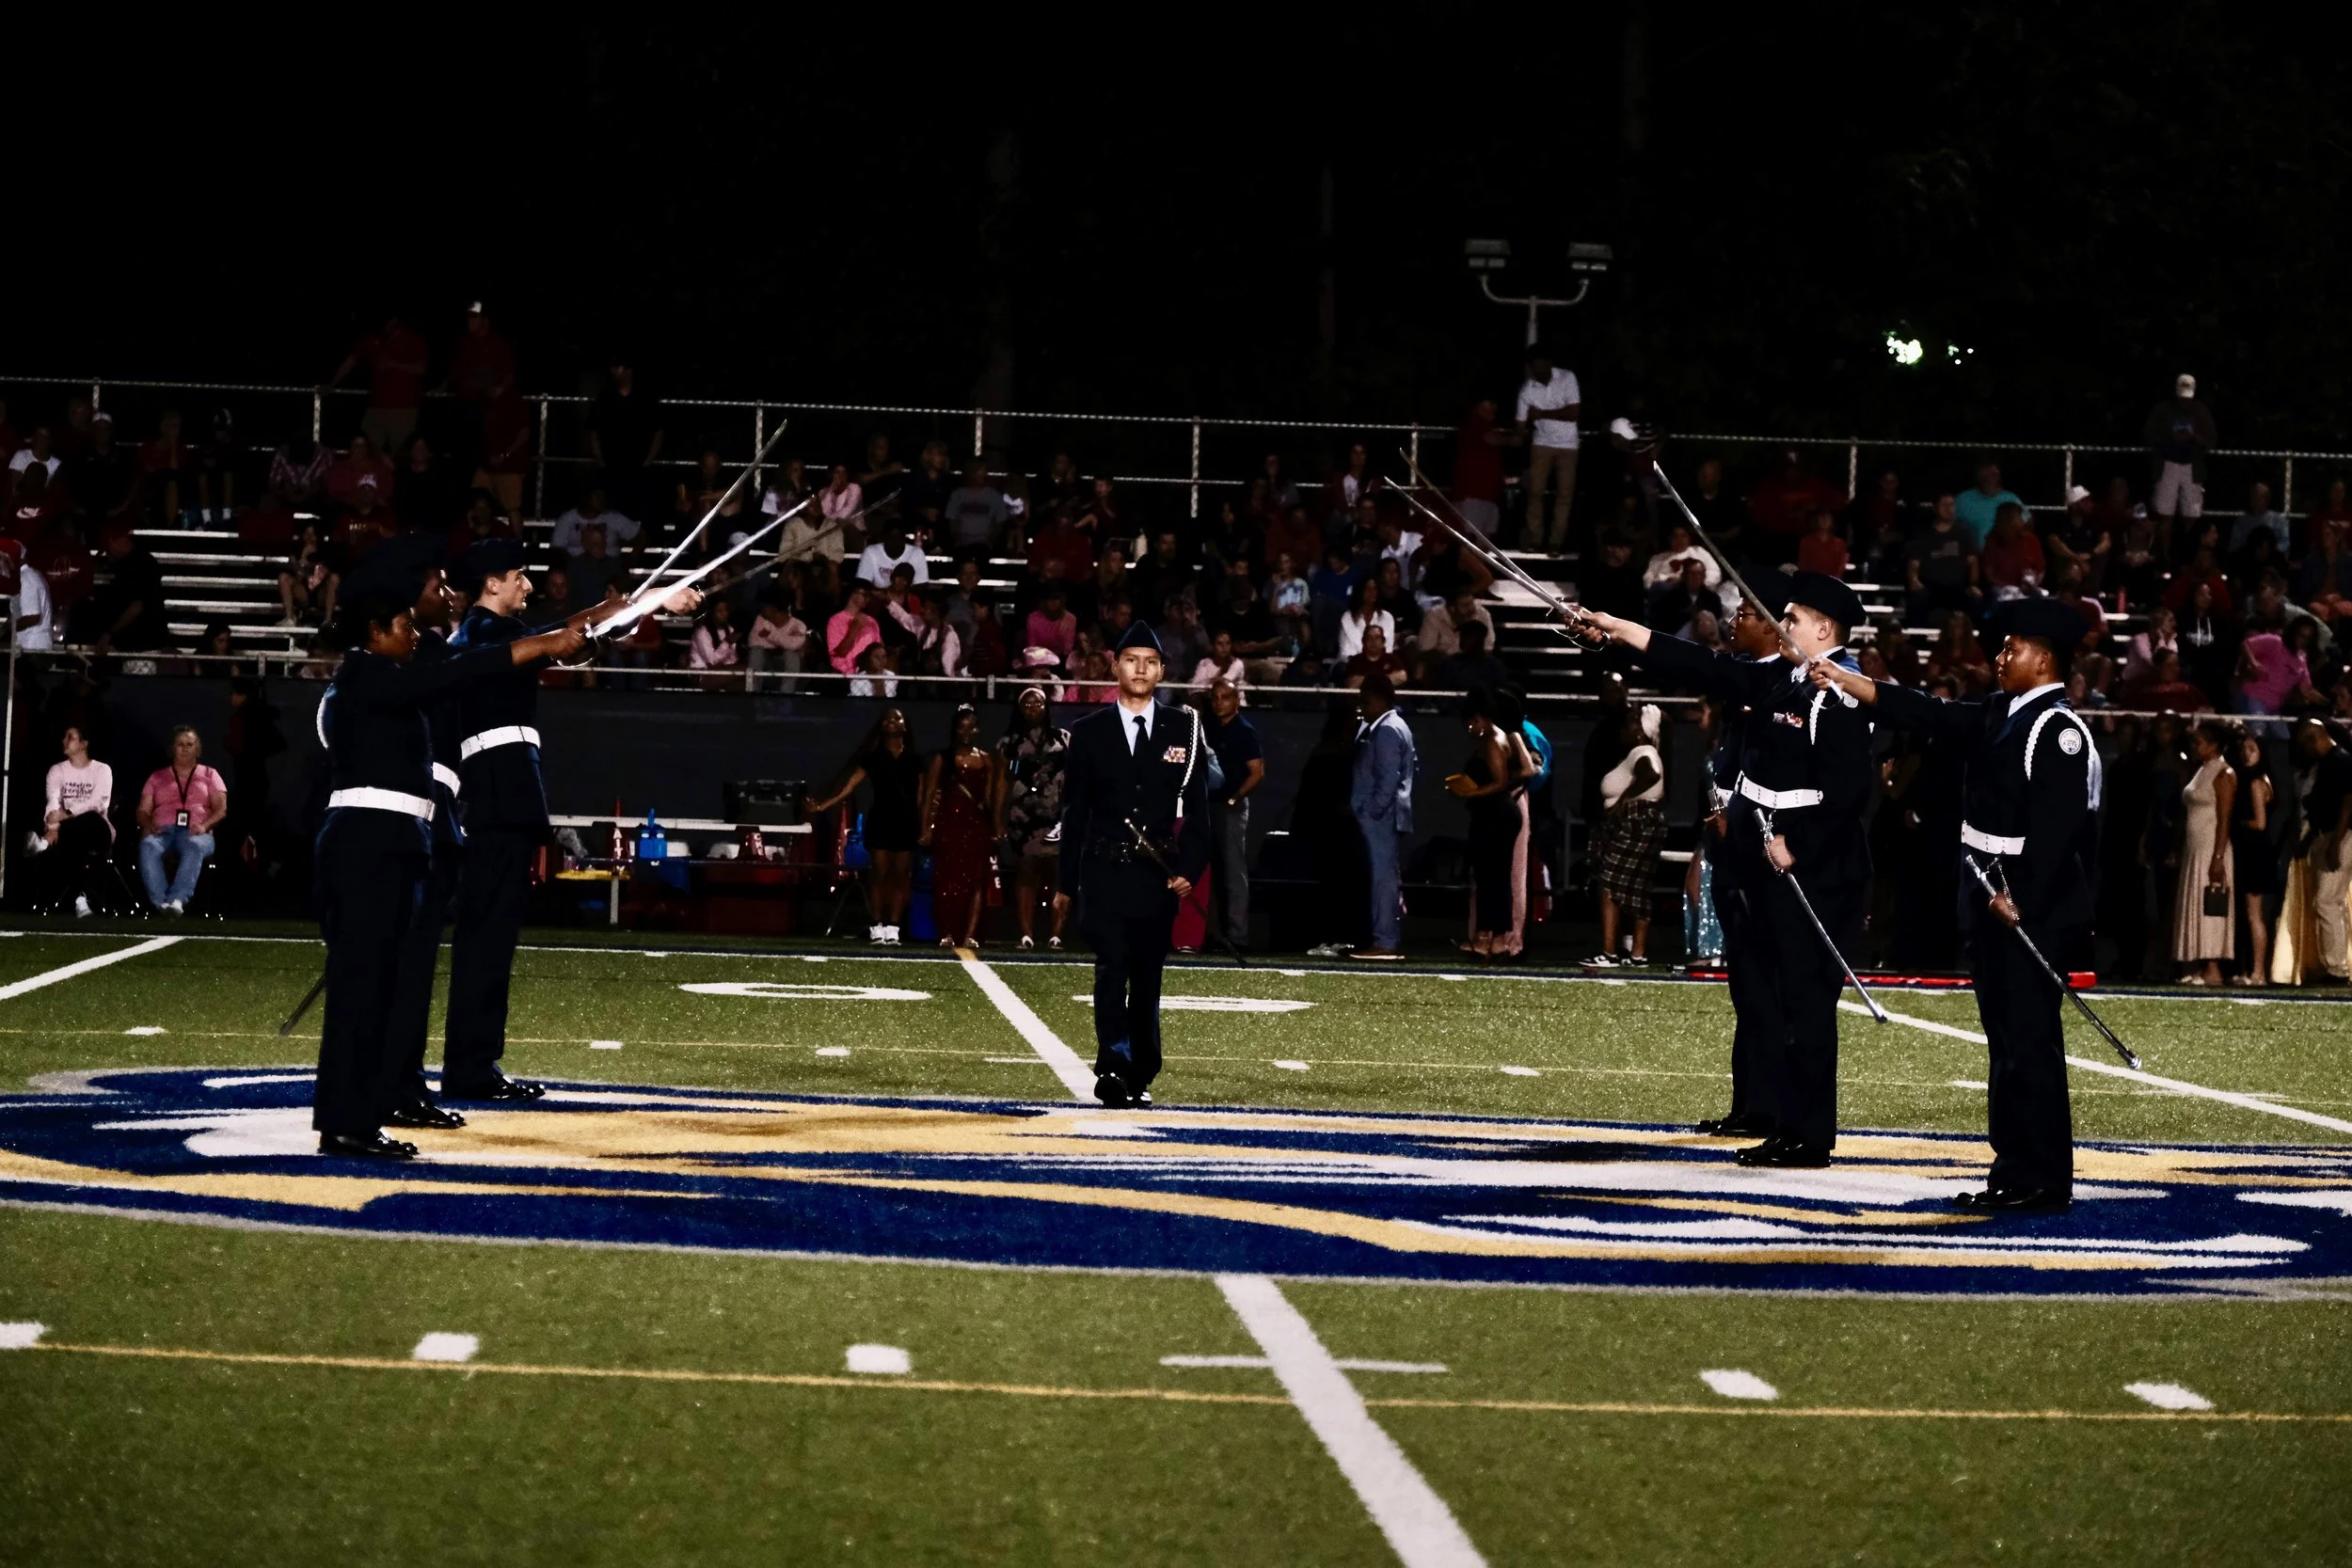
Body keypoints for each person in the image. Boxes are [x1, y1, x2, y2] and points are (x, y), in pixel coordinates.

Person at [1572, 571, 1874, 1168]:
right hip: (1769, 864)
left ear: (1825, 629)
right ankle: (1786, 1124)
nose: (1781, 625)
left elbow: (1849, 792)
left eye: (1791, 618)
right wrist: (1618, 630)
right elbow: (1703, 665)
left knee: (1806, 1005)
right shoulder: (1783, 679)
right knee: (1779, 1000)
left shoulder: (1839, 691)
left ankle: (1809, 1136)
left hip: (1813, 873)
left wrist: (1798, 844)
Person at [1807, 598, 2101, 1212]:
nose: (1999, 658)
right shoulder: (2001, 712)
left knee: (2030, 1043)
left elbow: (2059, 827)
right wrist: (1845, 679)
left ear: (2043, 659)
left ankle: (2044, 1178)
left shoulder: (2058, 729)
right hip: (1990, 896)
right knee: (2005, 1043)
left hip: (2028, 908)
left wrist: (2019, 896)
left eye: (2011, 649)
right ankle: (2012, 1170)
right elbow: (1929, 711)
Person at [310, 586, 583, 1160]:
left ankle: (363, 1112)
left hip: (389, 849)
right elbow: (459, 671)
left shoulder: (381, 679)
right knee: (361, 994)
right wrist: (547, 644)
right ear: (374, 631)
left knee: (379, 990)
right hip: (366, 850)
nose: (413, 632)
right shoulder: (365, 677)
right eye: (403, 623)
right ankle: (345, 1124)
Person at [443, 538, 698, 1102]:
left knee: (494, 938)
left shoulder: (498, 636)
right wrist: (648, 602)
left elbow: (575, 636)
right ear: (490, 585)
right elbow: (567, 635)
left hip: (502, 801)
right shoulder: (482, 636)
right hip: (494, 800)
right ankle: (470, 1067)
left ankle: (476, 1062)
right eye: (518, 577)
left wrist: (636, 608)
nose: (527, 586)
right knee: (486, 938)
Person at [1054, 622, 1211, 1106]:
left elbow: (1199, 808)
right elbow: (1074, 812)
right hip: (1103, 872)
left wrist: (1191, 867)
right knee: (1110, 968)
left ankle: (1140, 1072)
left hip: (1155, 877)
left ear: (1162, 670)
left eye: (1150, 661)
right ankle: (1115, 1067)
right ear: (1114, 665)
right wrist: (1066, 883)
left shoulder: (1184, 727)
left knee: (1146, 978)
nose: (1140, 668)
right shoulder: (1087, 732)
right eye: (1131, 659)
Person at [808, 708, 924, 943]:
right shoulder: (873, 758)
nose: (892, 721)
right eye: (887, 719)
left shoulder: (915, 759)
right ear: (881, 727)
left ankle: (894, 927)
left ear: (905, 726)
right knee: (879, 875)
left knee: (900, 876)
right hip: (881, 820)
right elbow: (848, 788)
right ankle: (877, 925)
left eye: (897, 718)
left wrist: (923, 826)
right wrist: (822, 806)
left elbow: (922, 797)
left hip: (906, 822)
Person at [995, 688, 1072, 952]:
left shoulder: (1063, 739)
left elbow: (1076, 779)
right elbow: (1002, 783)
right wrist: (998, 818)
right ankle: (1026, 934)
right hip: (1023, 818)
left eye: (1037, 703)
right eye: (1027, 704)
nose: (1032, 708)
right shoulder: (1010, 743)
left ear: (1046, 706)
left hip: (1056, 817)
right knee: (1027, 873)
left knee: (1058, 875)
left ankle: (1056, 935)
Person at [1590, 705, 1666, 967]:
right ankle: (1637, 953)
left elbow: (1651, 773)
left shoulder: (1643, 752)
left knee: (1611, 882)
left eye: (1629, 724)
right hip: (1640, 822)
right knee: (1636, 888)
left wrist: (1623, 799)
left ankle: (1610, 952)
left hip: (1636, 822)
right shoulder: (1641, 752)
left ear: (1638, 730)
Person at [1447, 686, 1518, 959]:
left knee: (1491, 877)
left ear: (1478, 718)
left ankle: (1488, 938)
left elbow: (1500, 782)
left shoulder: (1491, 739)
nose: (1469, 730)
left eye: (1469, 724)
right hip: (1498, 814)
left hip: (1496, 814)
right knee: (1495, 877)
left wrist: (1469, 792)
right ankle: (1495, 940)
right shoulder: (1497, 737)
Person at [920, 705, 999, 947]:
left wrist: (994, 827)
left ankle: (970, 934)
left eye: (971, 726)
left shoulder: (986, 759)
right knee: (946, 879)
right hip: (948, 825)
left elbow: (989, 799)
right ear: (955, 729)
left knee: (976, 880)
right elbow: (930, 795)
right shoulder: (942, 759)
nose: (966, 731)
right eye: (961, 726)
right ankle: (947, 931)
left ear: (977, 729)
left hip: (975, 826)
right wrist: (926, 828)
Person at [1201, 677, 1264, 954]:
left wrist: (1234, 797)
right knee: (1210, 872)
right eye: (1215, 697)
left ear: (1236, 699)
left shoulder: (1244, 731)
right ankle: (1213, 933)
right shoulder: (1210, 727)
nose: (1219, 703)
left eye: (1224, 697)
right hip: (1208, 805)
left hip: (1231, 808)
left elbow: (1257, 772)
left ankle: (1239, 936)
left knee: (1234, 873)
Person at [135, 727, 227, 913]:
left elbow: (221, 810)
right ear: (173, 749)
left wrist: (205, 826)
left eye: (190, 744)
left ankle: (177, 900)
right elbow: (143, 810)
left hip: (197, 830)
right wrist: (148, 825)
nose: (185, 748)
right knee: (148, 846)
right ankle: (162, 903)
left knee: (195, 846)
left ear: (198, 750)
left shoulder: (210, 775)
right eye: (180, 744)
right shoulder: (157, 777)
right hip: (163, 829)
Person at [2174, 720, 2236, 986]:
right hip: (2195, 847)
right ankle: (2201, 965)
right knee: (2196, 904)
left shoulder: (2224, 773)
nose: (2194, 746)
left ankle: (2213, 967)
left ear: (2214, 745)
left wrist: (2218, 857)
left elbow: (2225, 818)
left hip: (2212, 846)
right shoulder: (2201, 769)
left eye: (2199, 742)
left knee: (2211, 906)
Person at [2290, 720, 2352, 984]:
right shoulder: (2329, 762)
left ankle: (2337, 968)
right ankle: (2339, 964)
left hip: (2339, 835)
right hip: (2330, 835)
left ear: (2314, 738)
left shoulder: (2340, 761)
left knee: (2327, 901)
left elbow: (2349, 802)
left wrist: (2336, 841)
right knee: (2333, 901)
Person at [40, 726, 114, 917]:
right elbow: (53, 800)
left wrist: (67, 814)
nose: (64, 741)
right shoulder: (57, 770)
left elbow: (97, 802)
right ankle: (80, 898)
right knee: (74, 837)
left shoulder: (101, 770)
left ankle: (42, 844)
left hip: (98, 828)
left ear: (84, 743)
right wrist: (52, 827)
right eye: (64, 737)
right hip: (69, 832)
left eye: (70, 737)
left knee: (85, 820)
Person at [1515, 344, 1581, 548]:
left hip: (1568, 445)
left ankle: (1556, 542)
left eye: (1539, 365)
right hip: (1541, 444)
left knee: (1565, 494)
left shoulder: (1567, 378)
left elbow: (1573, 414)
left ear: (1548, 364)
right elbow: (1520, 423)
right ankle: (1535, 538)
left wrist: (1541, 414)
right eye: (1532, 367)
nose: (1536, 371)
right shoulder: (1527, 389)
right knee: (1535, 492)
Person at [2143, 372, 2217, 540]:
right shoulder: (2163, 410)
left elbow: (2212, 440)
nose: (2185, 401)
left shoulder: (2201, 411)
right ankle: (2165, 559)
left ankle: (2185, 557)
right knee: (2165, 514)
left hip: (2192, 468)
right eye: (2182, 397)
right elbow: (2149, 435)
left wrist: (2194, 437)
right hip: (2167, 466)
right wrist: (2170, 436)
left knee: (2192, 515)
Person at [2231, 730, 2277, 987]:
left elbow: (2260, 823)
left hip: (2255, 851)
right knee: (2250, 914)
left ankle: (2258, 972)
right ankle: (2250, 970)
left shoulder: (2256, 782)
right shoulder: (2262, 779)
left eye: (2252, 749)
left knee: (2253, 914)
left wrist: (2237, 824)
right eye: (2244, 749)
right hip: (2255, 850)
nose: (2246, 754)